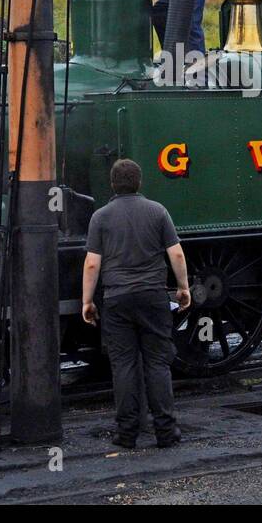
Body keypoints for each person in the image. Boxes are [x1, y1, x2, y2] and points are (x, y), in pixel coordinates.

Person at [82, 158, 193, 448]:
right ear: (139, 182)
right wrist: (183, 288)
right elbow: (177, 254)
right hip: (153, 295)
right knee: (157, 363)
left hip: (117, 298)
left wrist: (87, 301)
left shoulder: (100, 217)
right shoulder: (158, 211)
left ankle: (127, 433)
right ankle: (166, 432)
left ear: (112, 184)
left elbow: (92, 264)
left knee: (124, 366)